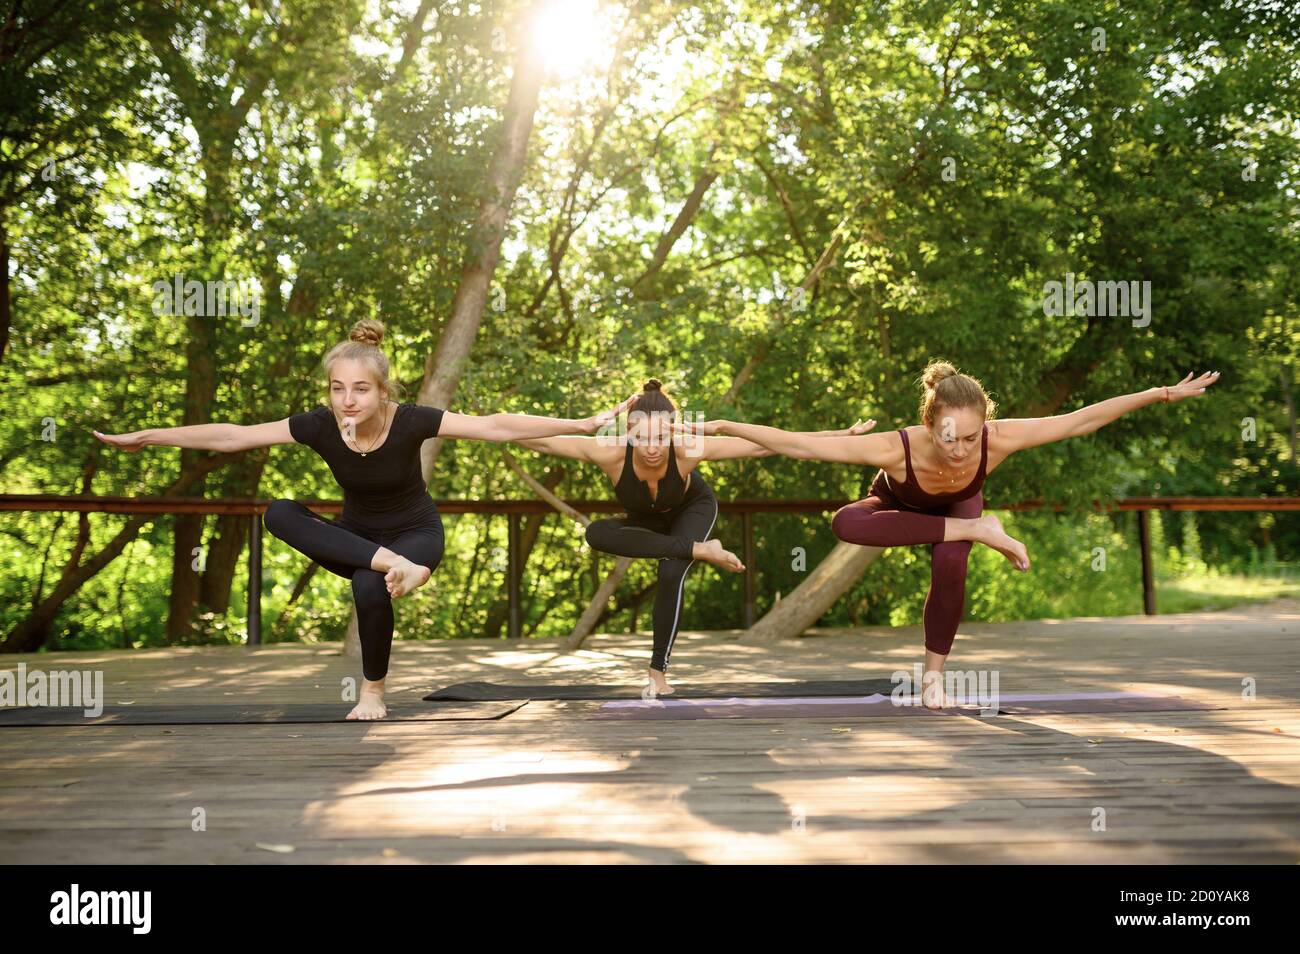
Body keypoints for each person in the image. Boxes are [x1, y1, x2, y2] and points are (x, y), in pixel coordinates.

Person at [93, 318, 634, 720]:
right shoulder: (320, 426)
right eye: (337, 388)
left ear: (382, 391)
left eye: (360, 389)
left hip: (417, 537)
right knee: (279, 512)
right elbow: (233, 435)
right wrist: (151, 436)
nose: (347, 401)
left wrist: (582, 422)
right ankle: (389, 565)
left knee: (369, 587)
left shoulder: (414, 421)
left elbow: (495, 425)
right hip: (360, 539)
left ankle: (372, 690)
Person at [684, 361, 1221, 708]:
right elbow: (799, 445)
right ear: (927, 422)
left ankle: (933, 676)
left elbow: (1080, 420)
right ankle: (976, 529)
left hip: (957, 508)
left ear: (984, 427)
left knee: (951, 562)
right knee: (846, 521)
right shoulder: (895, 448)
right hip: (903, 506)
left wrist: (1160, 394)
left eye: (969, 438)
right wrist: (730, 427)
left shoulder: (999, 439)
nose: (960, 450)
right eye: (947, 437)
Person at [516, 378, 874, 696]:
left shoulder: (688, 449)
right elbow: (540, 443)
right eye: (642, 438)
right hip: (647, 522)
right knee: (596, 533)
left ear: (673, 432)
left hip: (691, 510)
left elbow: (764, 445)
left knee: (671, 573)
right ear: (628, 433)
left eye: (661, 437)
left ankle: (657, 673)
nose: (652, 447)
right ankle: (701, 549)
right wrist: (488, 426)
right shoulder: (608, 452)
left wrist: (840, 435)